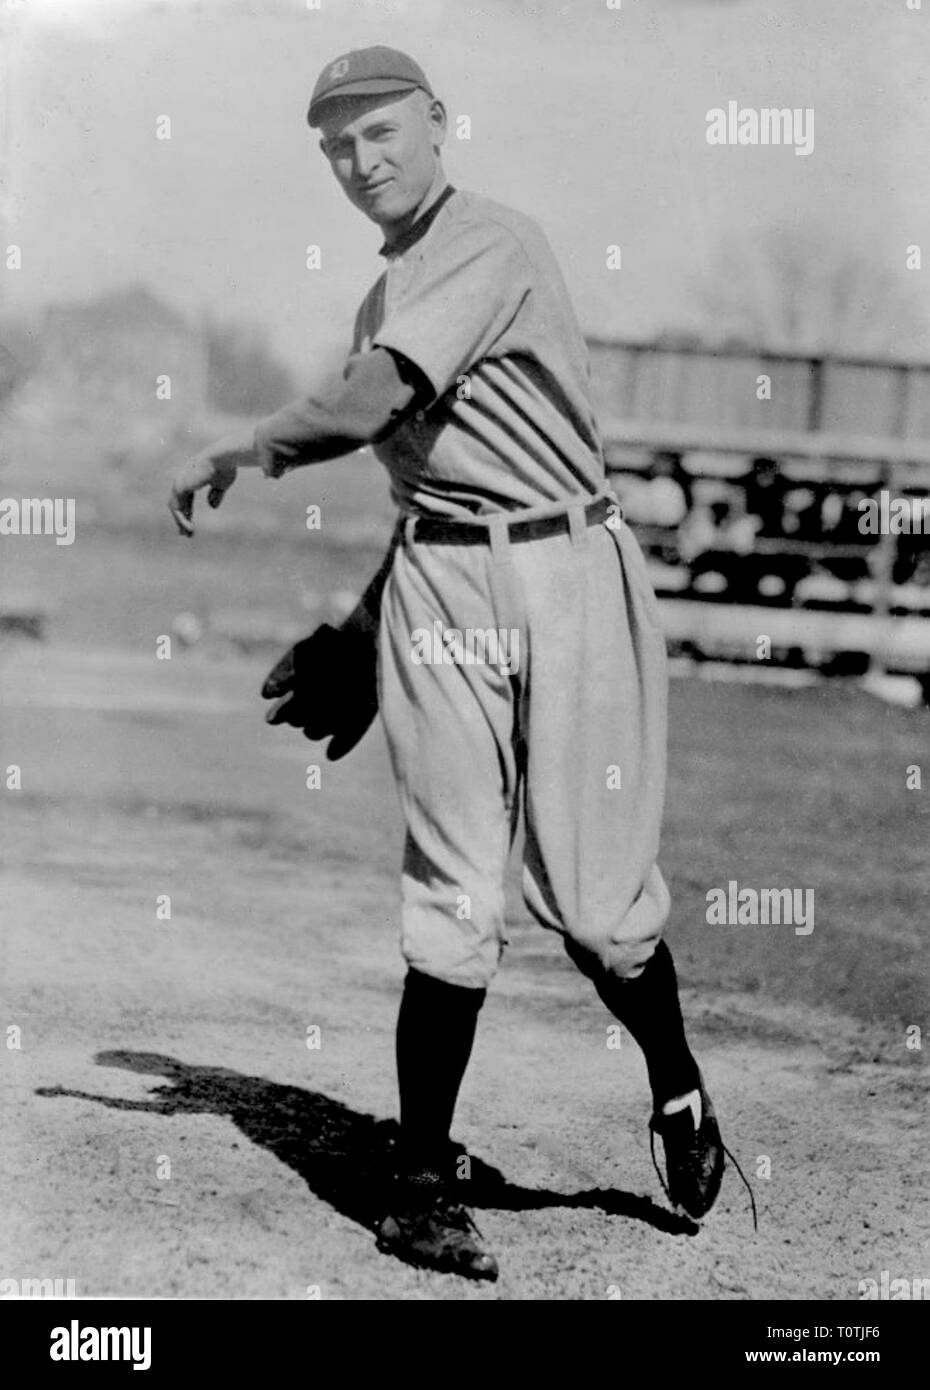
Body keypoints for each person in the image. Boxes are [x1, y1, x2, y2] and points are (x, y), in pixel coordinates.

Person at [169, 45, 739, 1282]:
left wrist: (247, 447)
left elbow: (370, 402)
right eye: (336, 144)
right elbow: (421, 483)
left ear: (437, 123)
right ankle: (420, 1186)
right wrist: (377, 633)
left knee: (594, 903)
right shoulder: (383, 291)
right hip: (438, 577)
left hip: (568, 570)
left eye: (380, 132)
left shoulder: (493, 241)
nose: (360, 161)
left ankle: (678, 1083)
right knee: (455, 886)